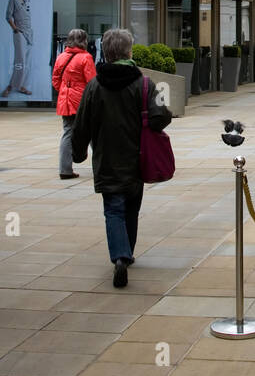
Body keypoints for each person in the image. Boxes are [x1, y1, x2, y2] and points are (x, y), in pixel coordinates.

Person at [71, 28, 172, 288]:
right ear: (129, 51)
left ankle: (120, 255)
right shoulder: (144, 83)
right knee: (131, 207)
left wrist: (78, 152)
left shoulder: (94, 85)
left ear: (105, 52)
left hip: (106, 158)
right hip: (136, 157)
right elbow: (162, 116)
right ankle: (127, 254)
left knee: (113, 209)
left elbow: (81, 124)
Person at [54, 28, 96, 180]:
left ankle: (65, 169)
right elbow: (92, 82)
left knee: (67, 133)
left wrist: (65, 90)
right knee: (93, 133)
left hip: (65, 100)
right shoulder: (86, 58)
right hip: (82, 101)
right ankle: (100, 166)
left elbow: (55, 80)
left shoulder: (61, 57)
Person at [2, 0, 36, 97]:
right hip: (20, 33)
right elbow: (8, 16)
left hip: (29, 34)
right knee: (20, 62)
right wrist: (15, 29)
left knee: (27, 62)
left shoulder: (25, 1)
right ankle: (11, 86)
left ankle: (22, 86)